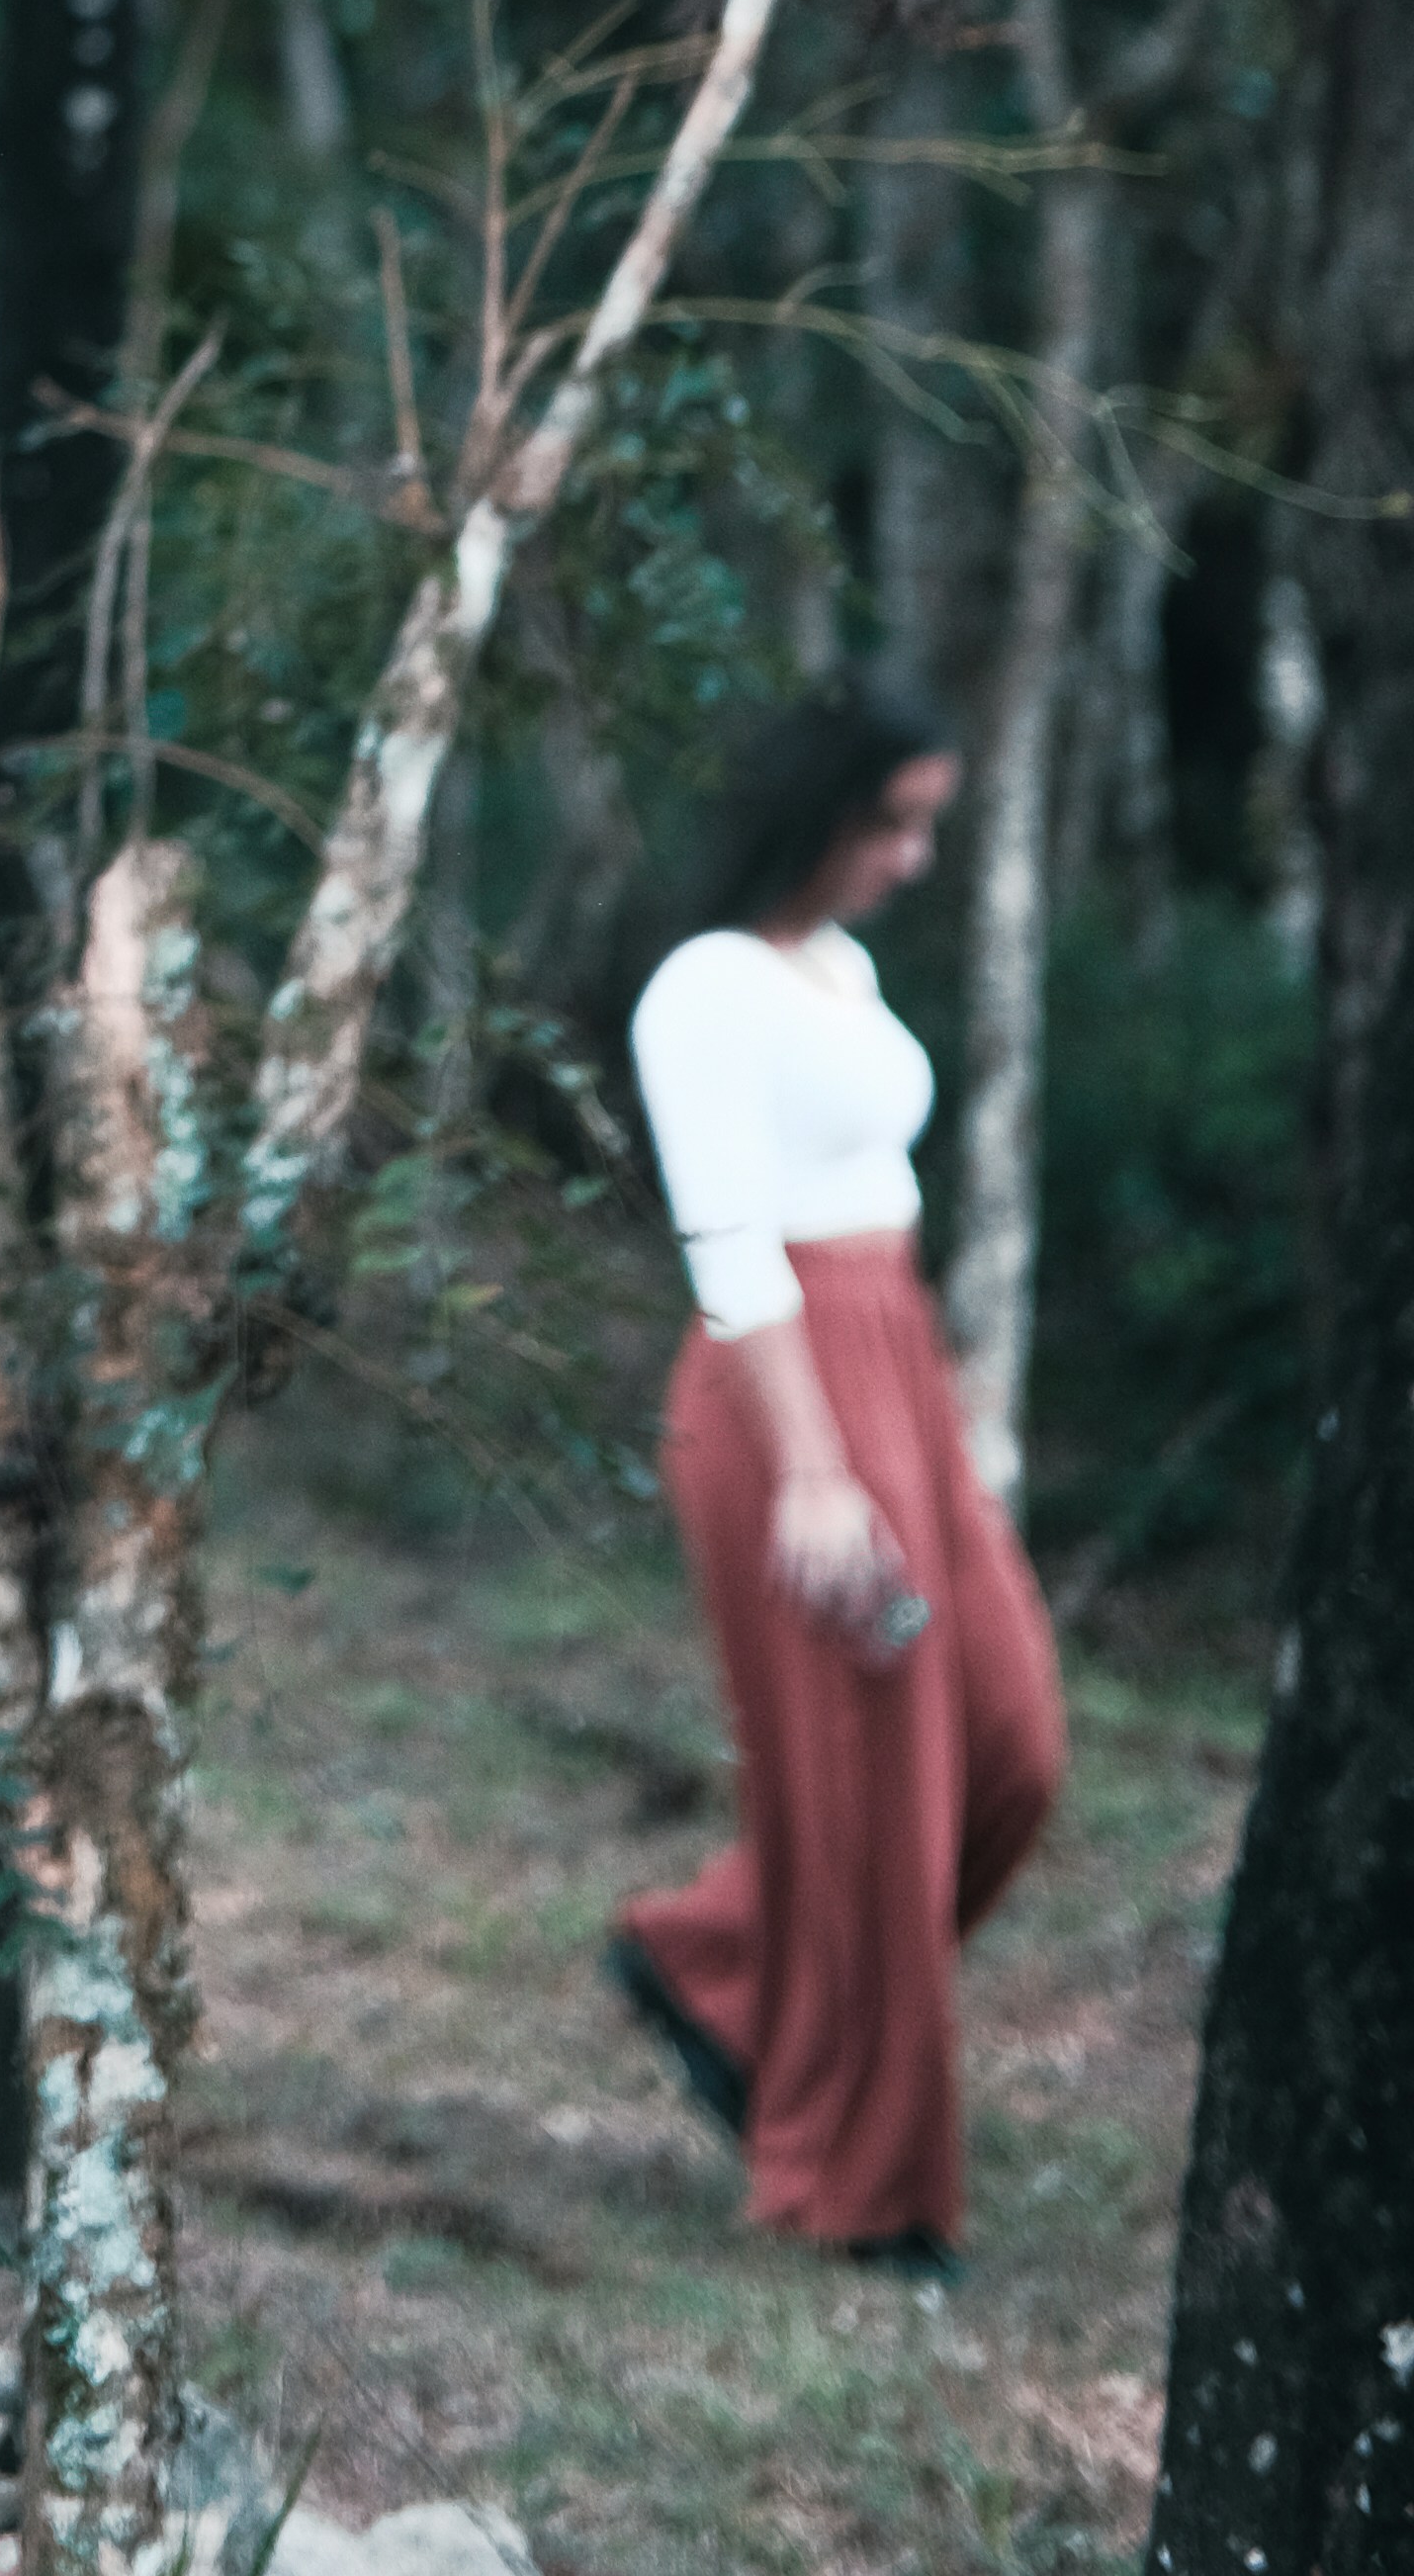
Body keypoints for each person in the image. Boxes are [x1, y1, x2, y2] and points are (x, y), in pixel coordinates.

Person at [604, 674, 1065, 2276]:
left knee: (1008, 1743)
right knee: (879, 1786)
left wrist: (920, 1426)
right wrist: (812, 1471)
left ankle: (717, 1965)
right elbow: (729, 1241)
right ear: (821, 812)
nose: (916, 857)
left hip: (899, 1366)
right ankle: (865, 2187)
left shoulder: (843, 971)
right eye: (897, 823)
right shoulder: (705, 989)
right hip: (784, 1384)